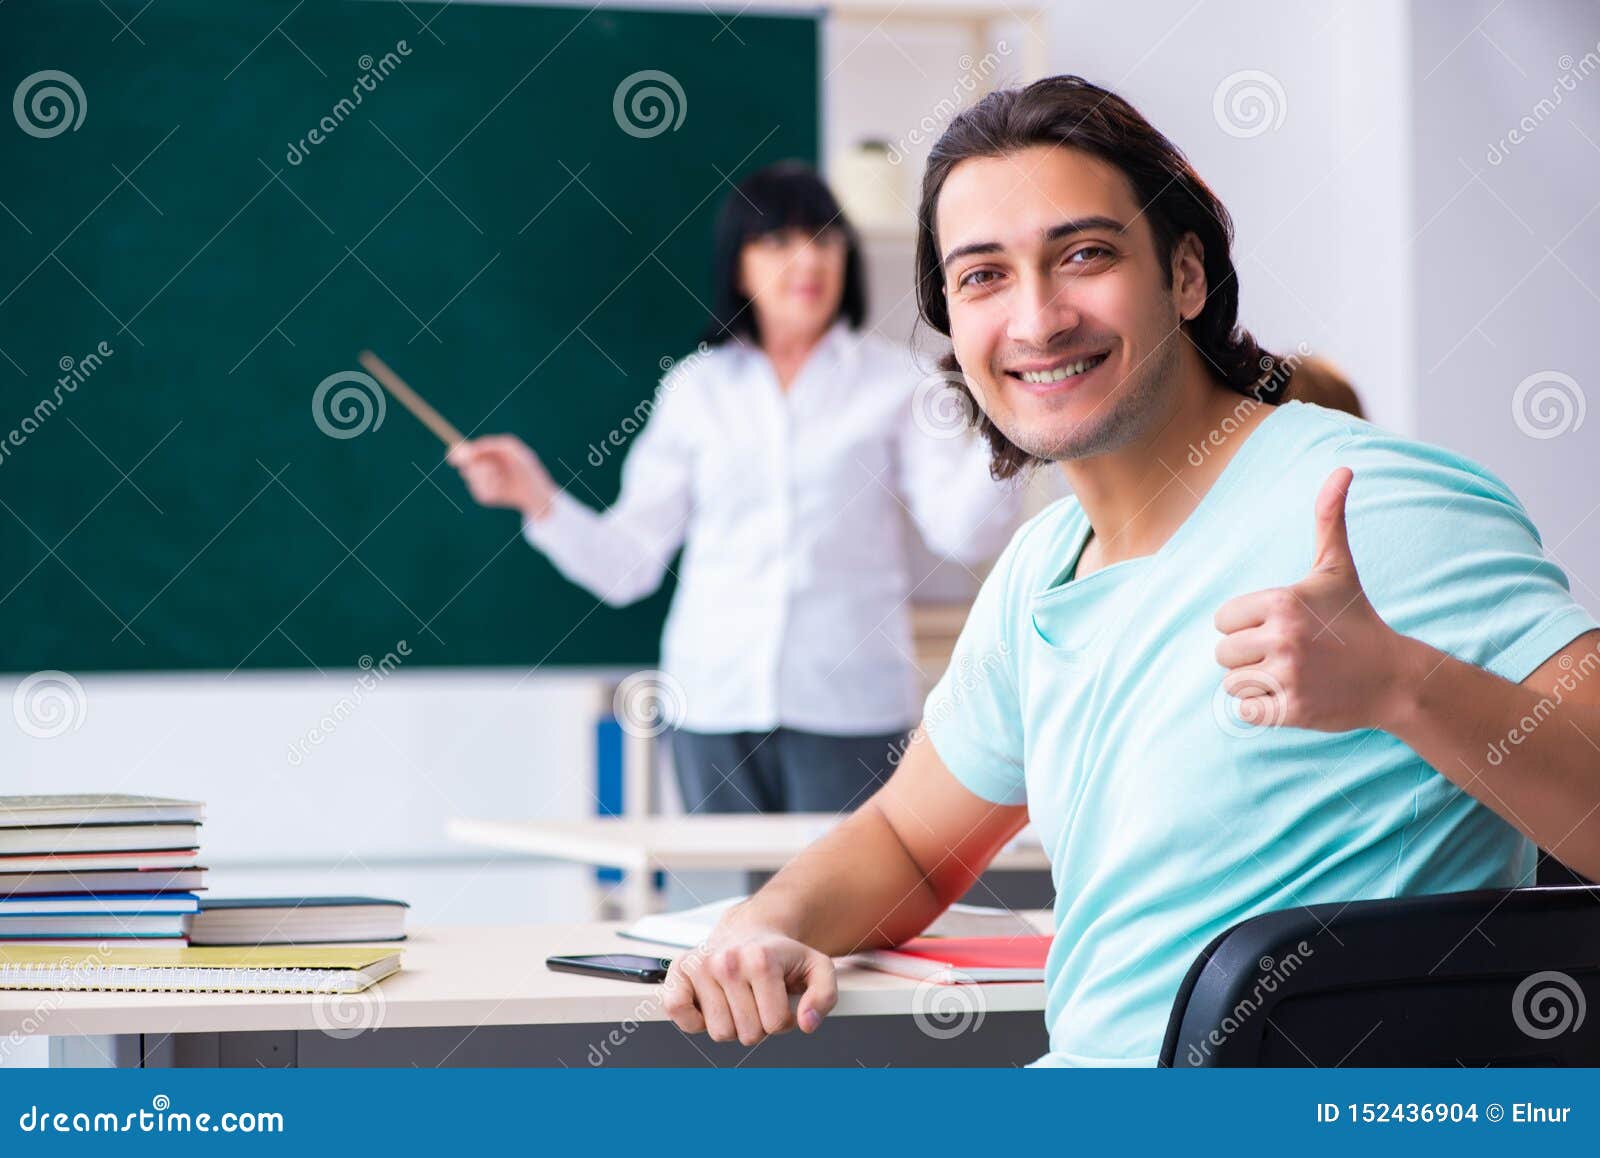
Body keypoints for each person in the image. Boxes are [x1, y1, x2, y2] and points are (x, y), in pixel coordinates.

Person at [660, 76, 1600, 1065]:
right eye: (983, 276)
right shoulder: (1041, 569)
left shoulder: (1368, 503)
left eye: (1084, 255)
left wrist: (1401, 684)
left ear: (1185, 276)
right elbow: (906, 842)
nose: (1036, 319)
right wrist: (765, 924)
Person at [450, 162, 1019, 816]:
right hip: (709, 706)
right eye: (778, 241)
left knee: (847, 916)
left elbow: (965, 531)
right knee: (723, 912)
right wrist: (537, 498)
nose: (808, 260)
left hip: (849, 706)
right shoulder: (696, 388)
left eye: (826, 239)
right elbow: (628, 564)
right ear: (738, 265)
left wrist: (1008, 431)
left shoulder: (899, 382)